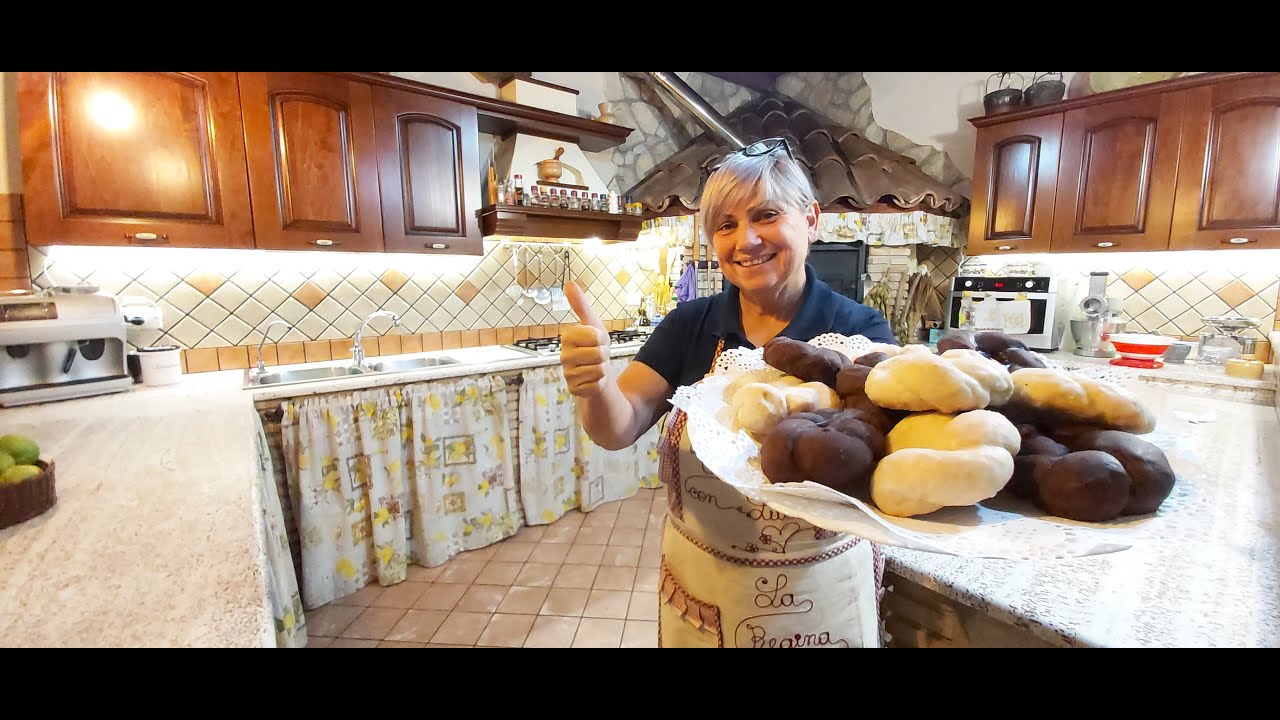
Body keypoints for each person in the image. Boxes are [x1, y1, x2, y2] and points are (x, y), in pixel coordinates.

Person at [560, 138, 897, 648]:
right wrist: (595, 386)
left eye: (765, 215)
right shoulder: (690, 326)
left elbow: (888, 459)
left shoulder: (859, 332)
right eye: (725, 224)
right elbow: (617, 427)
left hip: (819, 594)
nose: (746, 240)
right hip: (706, 587)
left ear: (810, 219)